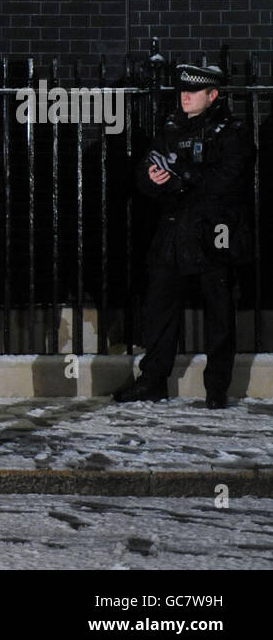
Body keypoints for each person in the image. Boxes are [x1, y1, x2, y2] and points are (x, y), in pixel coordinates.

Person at [113, 63, 255, 408]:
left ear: (213, 95)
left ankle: (217, 388)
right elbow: (145, 173)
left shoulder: (232, 131)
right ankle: (152, 381)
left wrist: (180, 173)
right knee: (160, 307)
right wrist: (154, 177)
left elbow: (228, 181)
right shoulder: (171, 128)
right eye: (183, 91)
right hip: (175, 230)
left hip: (213, 230)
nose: (185, 97)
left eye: (194, 92)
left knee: (219, 312)